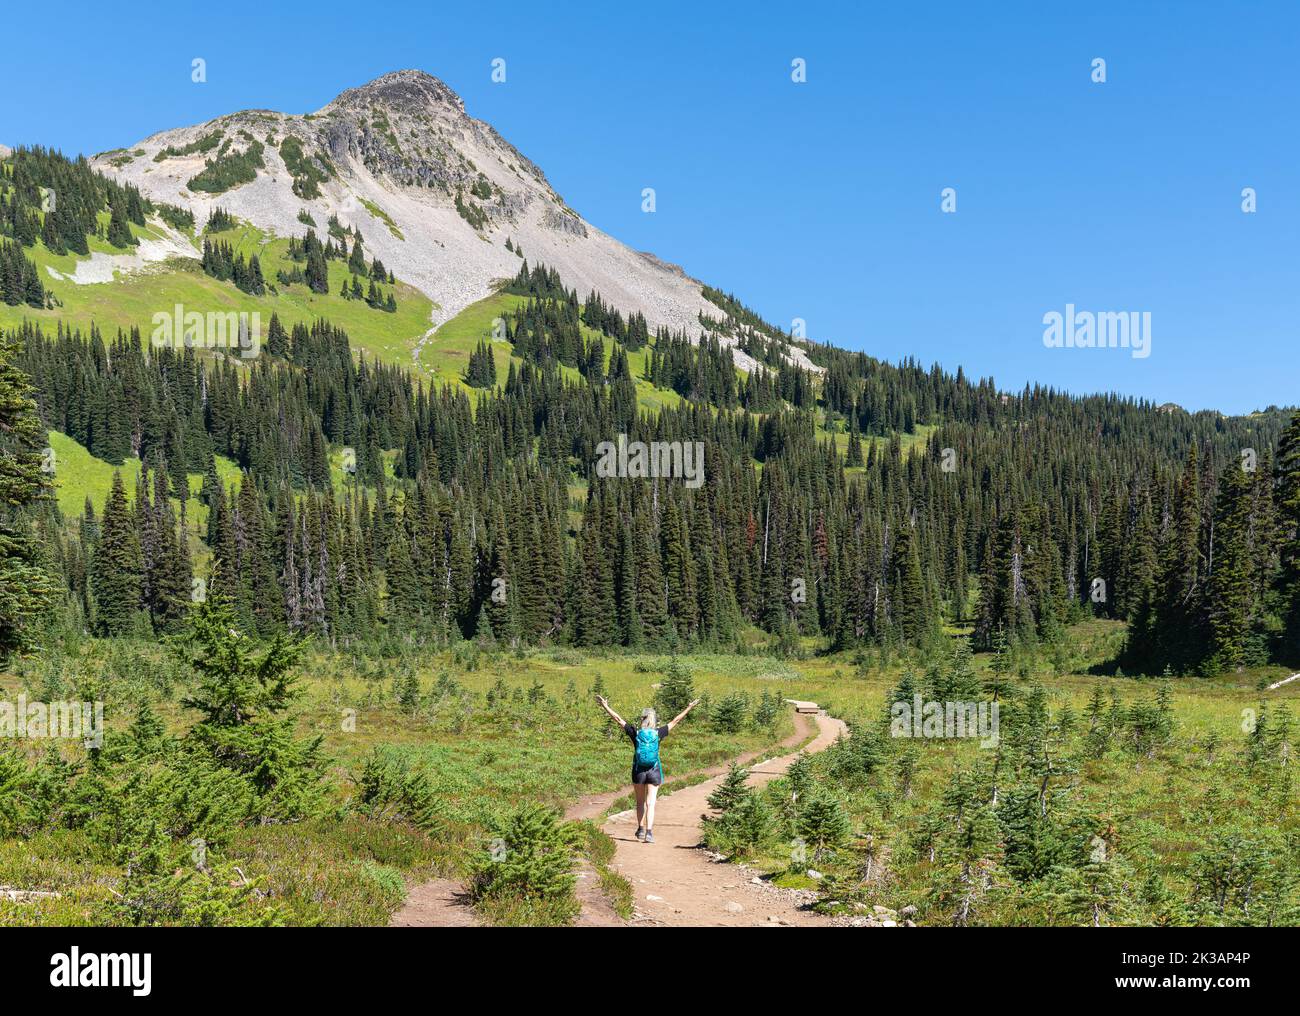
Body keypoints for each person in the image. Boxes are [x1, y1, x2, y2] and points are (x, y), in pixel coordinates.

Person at [595, 694, 700, 843]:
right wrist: (689, 707)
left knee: (639, 802)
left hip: (638, 771)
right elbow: (676, 720)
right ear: (654, 719)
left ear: (642, 719)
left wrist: (605, 706)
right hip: (654, 770)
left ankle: (640, 828)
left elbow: (618, 719)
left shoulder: (635, 733)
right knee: (651, 803)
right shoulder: (659, 733)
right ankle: (649, 833)